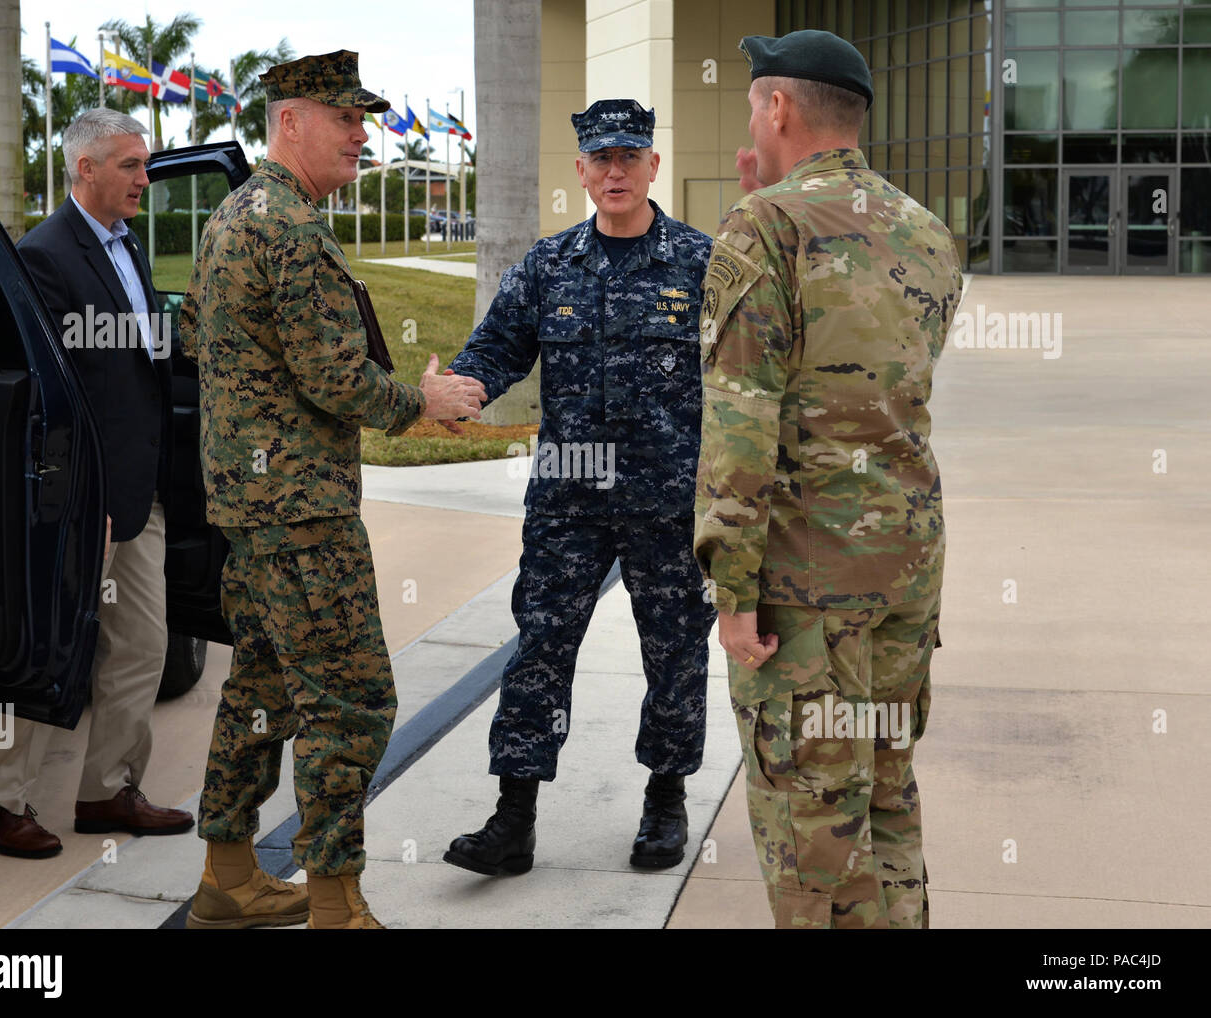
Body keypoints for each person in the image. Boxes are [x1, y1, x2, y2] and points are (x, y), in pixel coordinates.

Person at [180, 49, 485, 930]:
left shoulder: (236, 211)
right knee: (350, 698)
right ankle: (335, 902)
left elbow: (199, 336)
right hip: (303, 512)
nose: (362, 134)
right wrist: (419, 401)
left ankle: (228, 876)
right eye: (346, 117)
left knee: (262, 688)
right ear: (290, 122)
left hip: (249, 506)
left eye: (364, 117)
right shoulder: (291, 227)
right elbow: (336, 378)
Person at [693, 30, 964, 929]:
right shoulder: (927, 234)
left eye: (752, 106)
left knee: (814, 822)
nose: (752, 123)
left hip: (807, 586)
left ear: (779, 107)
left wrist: (731, 589)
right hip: (903, 573)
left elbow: (742, 416)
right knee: (886, 798)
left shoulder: (764, 224)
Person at [442, 99, 716, 877]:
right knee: (540, 649)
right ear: (582, 172)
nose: (616, 170)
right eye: (602, 158)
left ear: (654, 165)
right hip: (569, 499)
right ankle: (513, 818)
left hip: (668, 501)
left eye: (630, 154)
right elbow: (497, 348)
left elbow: (739, 376)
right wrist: (465, 389)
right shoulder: (548, 264)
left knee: (674, 653)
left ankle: (666, 801)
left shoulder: (701, 262)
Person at [0, 108, 193, 859]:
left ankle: (107, 791)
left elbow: (142, 366)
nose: (144, 177)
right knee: (51, 650)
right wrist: (78, 498)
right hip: (78, 502)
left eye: (146, 163)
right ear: (84, 170)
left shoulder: (129, 244)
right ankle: (1, 804)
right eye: (130, 165)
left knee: (141, 646)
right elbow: (53, 391)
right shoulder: (43, 256)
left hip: (141, 493)